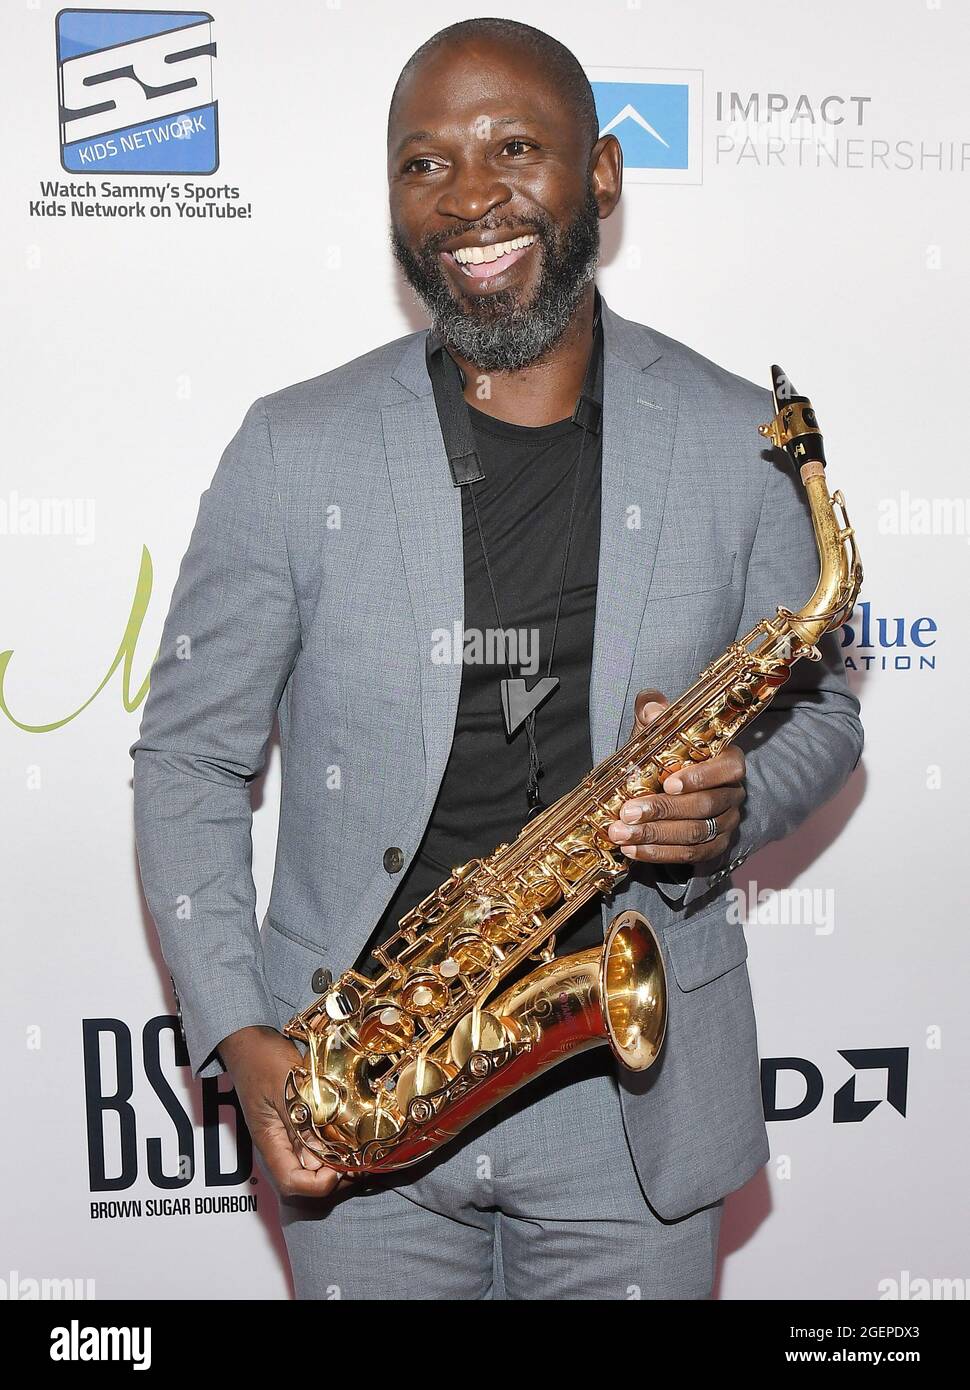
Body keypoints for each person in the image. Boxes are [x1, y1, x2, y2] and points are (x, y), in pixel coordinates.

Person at [130, 17, 863, 1299]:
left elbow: (823, 716)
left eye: (514, 147)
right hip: (361, 1085)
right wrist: (237, 1032)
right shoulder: (291, 448)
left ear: (603, 176)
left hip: (630, 1092)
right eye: (424, 163)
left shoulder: (739, 434)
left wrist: (734, 799)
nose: (470, 196)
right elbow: (188, 753)